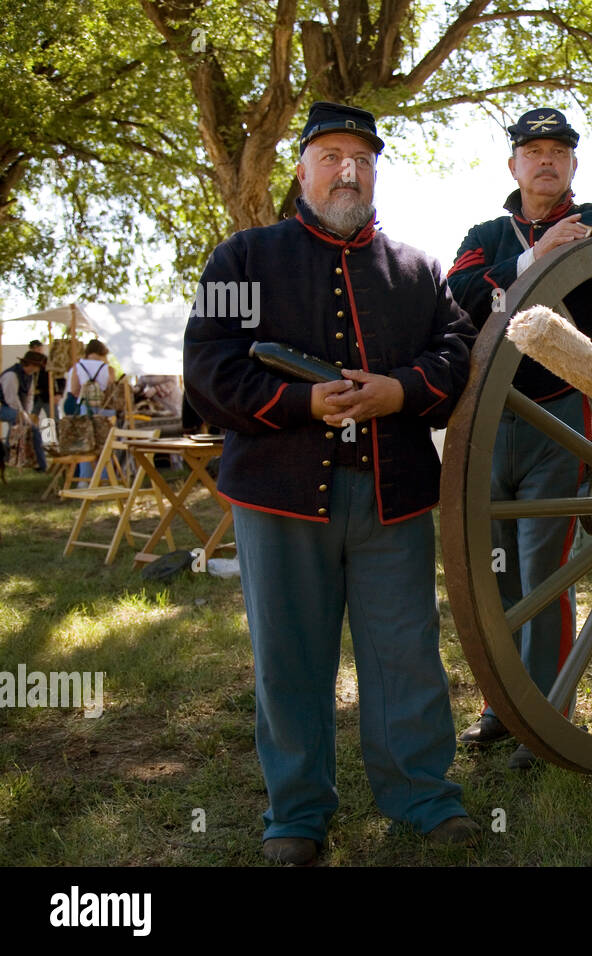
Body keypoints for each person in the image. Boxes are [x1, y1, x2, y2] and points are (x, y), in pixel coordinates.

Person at [184, 101, 480, 865]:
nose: (348, 170)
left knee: (406, 653)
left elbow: (456, 354)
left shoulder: (417, 269)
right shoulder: (242, 260)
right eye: (332, 156)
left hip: (394, 494)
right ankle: (297, 813)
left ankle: (422, 795)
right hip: (281, 494)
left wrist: (400, 391)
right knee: (289, 658)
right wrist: (300, 401)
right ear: (303, 169)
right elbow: (210, 369)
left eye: (363, 158)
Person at [447, 107, 592, 769]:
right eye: (533, 151)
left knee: (544, 575)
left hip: (559, 422)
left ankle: (547, 716)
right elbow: (461, 293)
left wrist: (591, 227)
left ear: (573, 165)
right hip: (489, 422)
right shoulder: (487, 234)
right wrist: (534, 256)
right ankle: (503, 704)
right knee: (495, 574)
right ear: (514, 165)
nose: (545, 161)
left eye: (558, 151)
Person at [67, 340, 117, 480]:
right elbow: (111, 390)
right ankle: (106, 478)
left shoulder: (78, 367)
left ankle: (85, 479)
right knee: (106, 445)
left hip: (86, 408)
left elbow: (74, 390)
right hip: (105, 408)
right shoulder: (108, 368)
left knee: (86, 444)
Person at [0, 350, 49, 472]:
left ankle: (39, 464)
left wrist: (27, 413)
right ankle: (7, 456)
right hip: (5, 408)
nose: (38, 370)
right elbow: (11, 399)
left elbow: (29, 396)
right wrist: (23, 414)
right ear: (32, 365)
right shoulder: (11, 375)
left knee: (32, 429)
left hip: (17, 409)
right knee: (21, 422)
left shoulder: (29, 376)